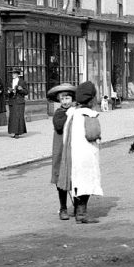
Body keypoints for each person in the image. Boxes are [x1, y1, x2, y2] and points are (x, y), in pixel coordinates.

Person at [56, 80, 103, 224]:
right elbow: (93, 134)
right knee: (86, 181)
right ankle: (81, 213)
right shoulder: (89, 114)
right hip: (86, 154)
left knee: (76, 181)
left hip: (71, 152)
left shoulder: (71, 113)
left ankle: (78, 211)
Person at [47, 82, 76, 221]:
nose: (65, 101)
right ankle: (63, 208)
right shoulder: (59, 113)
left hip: (74, 147)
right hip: (61, 148)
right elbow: (59, 127)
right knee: (61, 177)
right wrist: (68, 115)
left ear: (72, 99)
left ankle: (78, 205)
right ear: (59, 100)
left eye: (68, 98)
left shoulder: (76, 112)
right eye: (62, 99)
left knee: (75, 176)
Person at [6, 68, 28, 138]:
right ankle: (14, 131)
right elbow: (6, 92)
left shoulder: (22, 82)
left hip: (19, 101)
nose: (13, 75)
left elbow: (26, 92)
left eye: (15, 73)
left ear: (18, 74)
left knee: (18, 116)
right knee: (12, 117)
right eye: (12, 73)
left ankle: (17, 133)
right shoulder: (9, 82)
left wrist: (20, 90)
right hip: (12, 101)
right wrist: (9, 92)